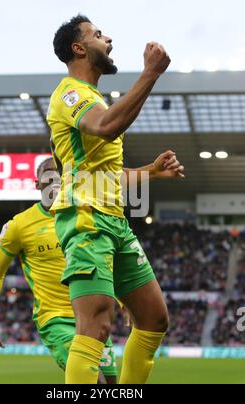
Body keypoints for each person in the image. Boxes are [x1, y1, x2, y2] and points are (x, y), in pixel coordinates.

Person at [47, 14, 183, 385]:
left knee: (155, 319)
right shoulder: (69, 94)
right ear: (78, 48)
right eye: (97, 35)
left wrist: (151, 173)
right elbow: (107, 127)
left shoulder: (94, 99)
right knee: (96, 326)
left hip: (114, 222)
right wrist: (151, 73)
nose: (108, 39)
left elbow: (104, 174)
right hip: (86, 220)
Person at [0, 157, 117, 384]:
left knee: (111, 386)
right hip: (56, 321)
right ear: (37, 184)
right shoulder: (19, 226)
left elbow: (107, 260)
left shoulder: (85, 214)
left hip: (94, 317)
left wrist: (126, 300)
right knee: (93, 382)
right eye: (48, 176)